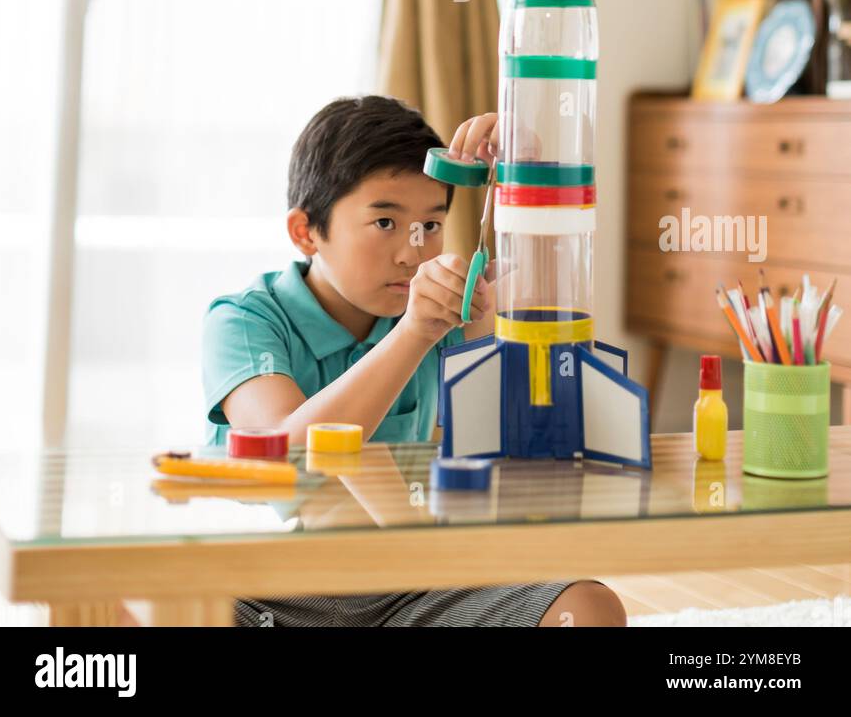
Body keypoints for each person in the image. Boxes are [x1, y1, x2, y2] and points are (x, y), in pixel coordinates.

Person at [201, 94, 626, 627]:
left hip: (415, 588)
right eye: (385, 223)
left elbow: (552, 269)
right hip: (274, 594)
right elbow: (280, 458)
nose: (413, 252)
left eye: (431, 224)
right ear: (306, 231)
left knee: (587, 607)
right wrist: (415, 333)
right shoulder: (244, 320)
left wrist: (526, 167)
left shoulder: (443, 307)